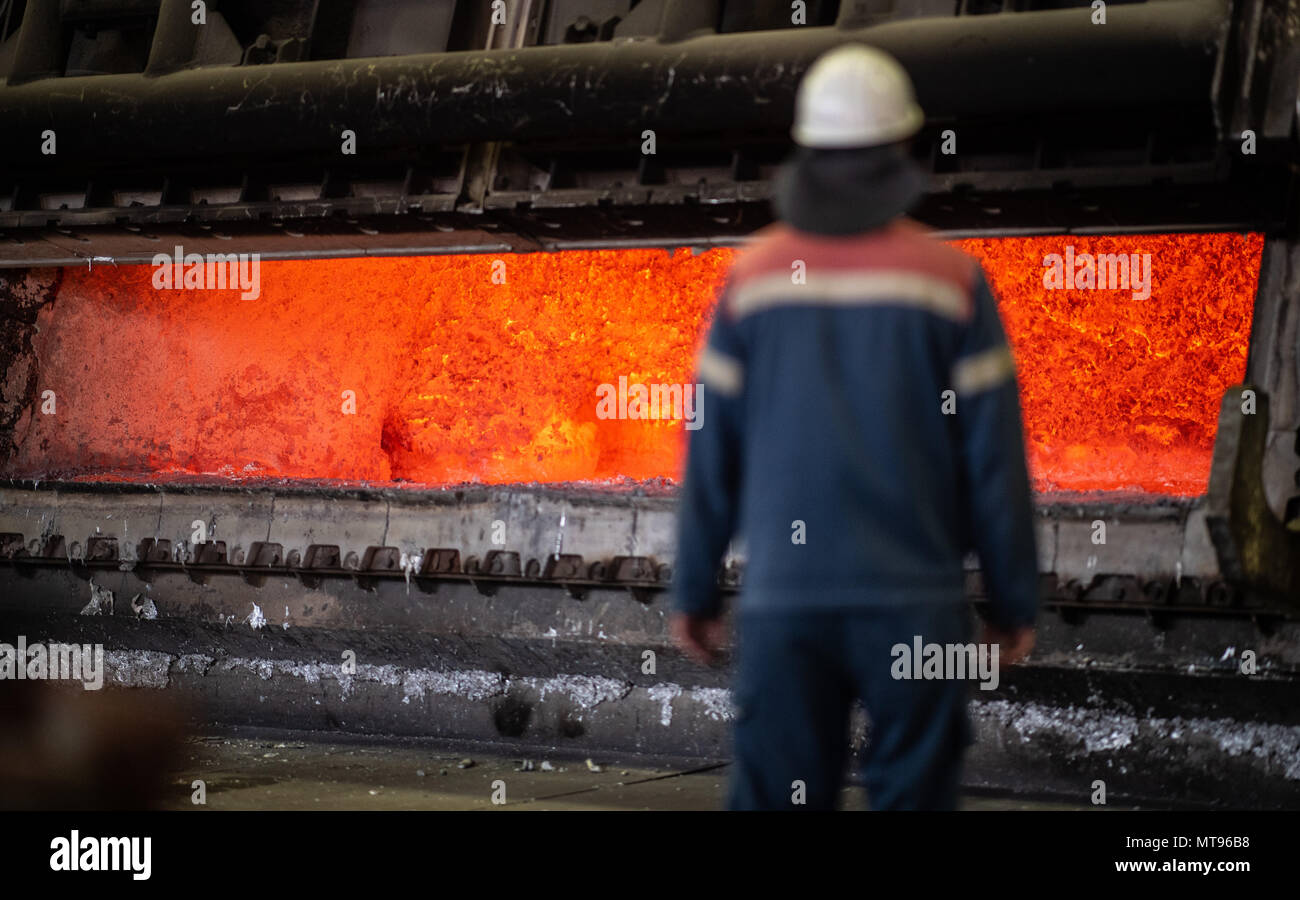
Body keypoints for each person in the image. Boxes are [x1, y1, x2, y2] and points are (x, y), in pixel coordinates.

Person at [670, 45, 1039, 811]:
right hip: (921, 614)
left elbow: (709, 447)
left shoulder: (754, 279)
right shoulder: (954, 282)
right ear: (903, 152)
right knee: (915, 794)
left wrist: (695, 590)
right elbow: (995, 462)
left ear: (806, 155)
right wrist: (1012, 603)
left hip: (783, 612)